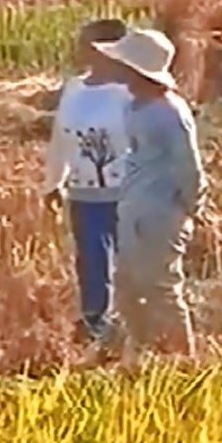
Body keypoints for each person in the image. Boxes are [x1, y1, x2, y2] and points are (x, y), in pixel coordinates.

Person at [91, 28, 208, 369]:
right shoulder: (135, 106)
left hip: (159, 214)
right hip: (135, 208)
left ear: (137, 70)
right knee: (127, 282)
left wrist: (193, 208)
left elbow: (190, 168)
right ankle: (124, 356)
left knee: (160, 287)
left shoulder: (169, 113)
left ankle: (184, 364)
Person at [42, 19, 133, 364]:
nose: (77, 47)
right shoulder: (74, 89)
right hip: (84, 192)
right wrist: (54, 182)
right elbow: (60, 139)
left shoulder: (130, 92)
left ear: (101, 49)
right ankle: (96, 324)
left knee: (131, 263)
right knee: (91, 261)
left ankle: (132, 328)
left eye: (83, 42)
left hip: (127, 192)